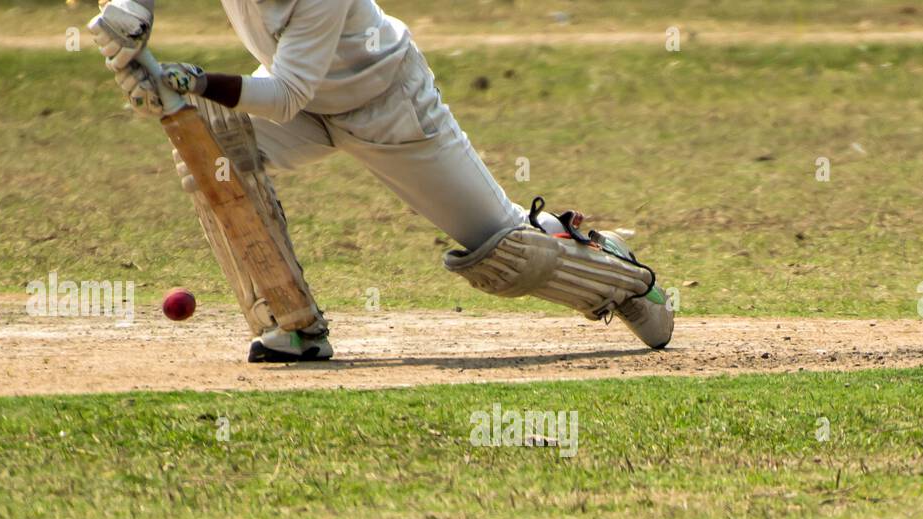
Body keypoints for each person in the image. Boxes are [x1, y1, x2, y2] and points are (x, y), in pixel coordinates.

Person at [90, 0, 673, 362]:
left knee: (505, 254)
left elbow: (287, 95)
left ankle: (618, 274)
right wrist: (125, 17)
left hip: (387, 107)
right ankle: (290, 324)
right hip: (308, 101)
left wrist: (190, 82)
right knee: (207, 157)